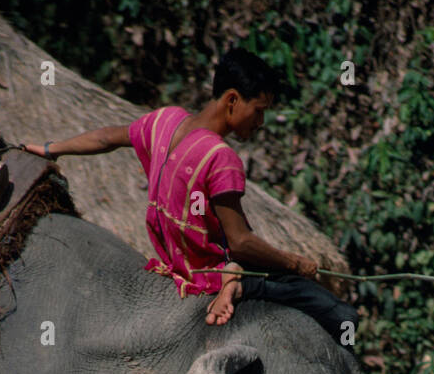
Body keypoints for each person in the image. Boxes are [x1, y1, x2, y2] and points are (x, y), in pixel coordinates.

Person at [22, 47, 358, 344]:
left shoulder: (165, 121)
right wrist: (296, 263)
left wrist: (53, 149)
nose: (261, 121)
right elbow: (240, 242)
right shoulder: (220, 157)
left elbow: (107, 137)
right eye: (259, 110)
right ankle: (234, 282)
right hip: (206, 273)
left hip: (172, 265)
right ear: (232, 100)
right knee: (343, 317)